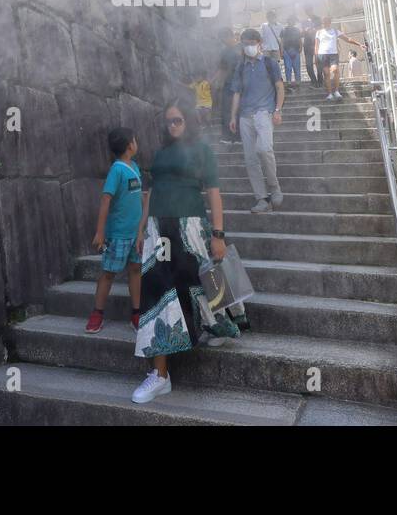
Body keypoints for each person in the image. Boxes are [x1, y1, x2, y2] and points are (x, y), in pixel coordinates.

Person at [131, 102, 245, 404]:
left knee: (200, 286)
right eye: (168, 121)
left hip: (191, 226)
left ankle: (216, 326)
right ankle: (160, 375)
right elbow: (150, 193)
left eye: (178, 120)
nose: (173, 126)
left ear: (189, 121)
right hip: (159, 228)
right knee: (156, 295)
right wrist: (142, 228)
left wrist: (218, 235)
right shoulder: (159, 154)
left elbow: (214, 193)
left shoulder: (202, 150)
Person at [87, 127, 143, 334]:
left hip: (135, 234)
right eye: (135, 140)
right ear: (130, 145)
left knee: (136, 270)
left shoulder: (135, 167)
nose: (137, 143)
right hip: (118, 234)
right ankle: (97, 313)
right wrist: (100, 232)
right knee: (108, 273)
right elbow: (105, 199)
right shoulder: (117, 170)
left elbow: (137, 197)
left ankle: (136, 312)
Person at [228, 27, 285, 213]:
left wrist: (277, 110)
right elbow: (236, 93)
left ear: (259, 44)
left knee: (264, 148)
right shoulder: (240, 67)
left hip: (264, 112)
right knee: (250, 159)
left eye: (251, 44)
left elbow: (279, 87)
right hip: (245, 115)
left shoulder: (269, 63)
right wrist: (232, 116)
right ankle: (262, 198)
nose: (248, 47)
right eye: (245, 44)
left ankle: (275, 187)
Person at [315, 15, 363, 100]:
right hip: (322, 54)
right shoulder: (319, 32)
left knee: (335, 70)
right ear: (322, 23)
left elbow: (347, 39)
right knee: (326, 74)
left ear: (330, 22)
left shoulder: (335, 31)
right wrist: (316, 57)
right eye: (323, 21)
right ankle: (330, 94)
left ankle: (336, 91)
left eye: (327, 21)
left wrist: (359, 44)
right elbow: (316, 46)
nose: (325, 23)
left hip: (333, 54)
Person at [212, 30, 242, 144]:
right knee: (225, 110)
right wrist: (213, 81)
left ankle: (239, 136)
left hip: (240, 85)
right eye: (222, 39)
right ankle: (227, 137)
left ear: (231, 36)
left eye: (225, 38)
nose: (224, 41)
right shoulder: (224, 51)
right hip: (228, 84)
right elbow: (222, 68)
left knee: (239, 110)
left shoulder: (241, 48)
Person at [301, 8, 322, 88]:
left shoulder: (317, 19)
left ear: (312, 10)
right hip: (307, 44)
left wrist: (314, 30)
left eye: (309, 10)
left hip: (317, 43)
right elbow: (301, 33)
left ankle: (320, 80)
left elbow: (321, 29)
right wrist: (305, 31)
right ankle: (313, 81)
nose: (308, 12)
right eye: (307, 10)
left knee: (319, 63)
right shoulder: (304, 21)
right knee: (309, 64)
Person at [279, 18, 303, 88]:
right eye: (290, 20)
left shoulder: (297, 30)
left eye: (292, 21)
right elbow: (282, 41)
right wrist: (281, 51)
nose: (291, 22)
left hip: (296, 50)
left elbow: (300, 39)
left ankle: (298, 81)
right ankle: (289, 81)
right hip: (286, 51)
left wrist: (301, 47)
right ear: (288, 21)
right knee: (288, 67)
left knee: (297, 67)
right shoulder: (283, 30)